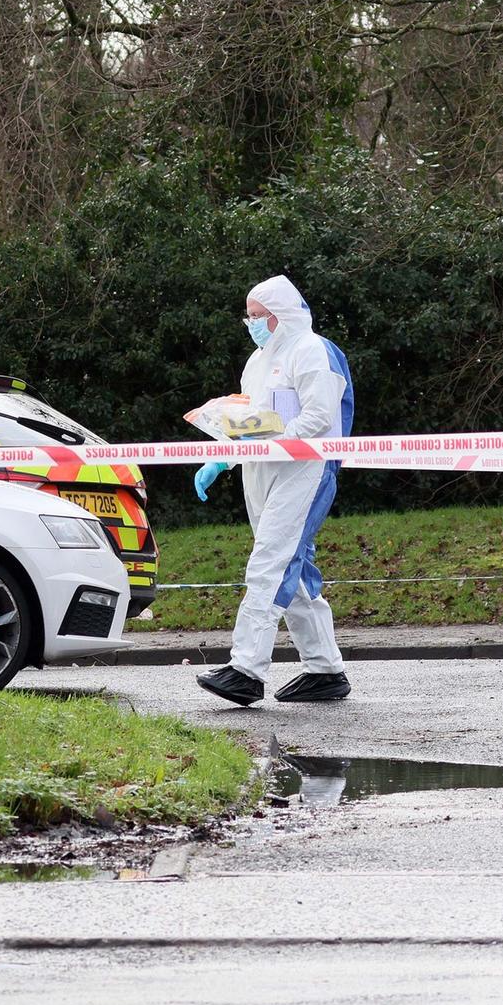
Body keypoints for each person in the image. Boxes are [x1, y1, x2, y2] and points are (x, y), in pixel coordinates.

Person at [192, 275, 355, 706]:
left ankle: (246, 669)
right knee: (291, 567)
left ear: (280, 313)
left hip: (305, 469)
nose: (251, 323)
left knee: (270, 562)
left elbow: (320, 417)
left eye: (258, 315)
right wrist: (223, 458)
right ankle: (325, 670)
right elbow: (250, 421)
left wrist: (275, 442)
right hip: (262, 471)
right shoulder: (256, 361)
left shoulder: (312, 350)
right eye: (248, 316)